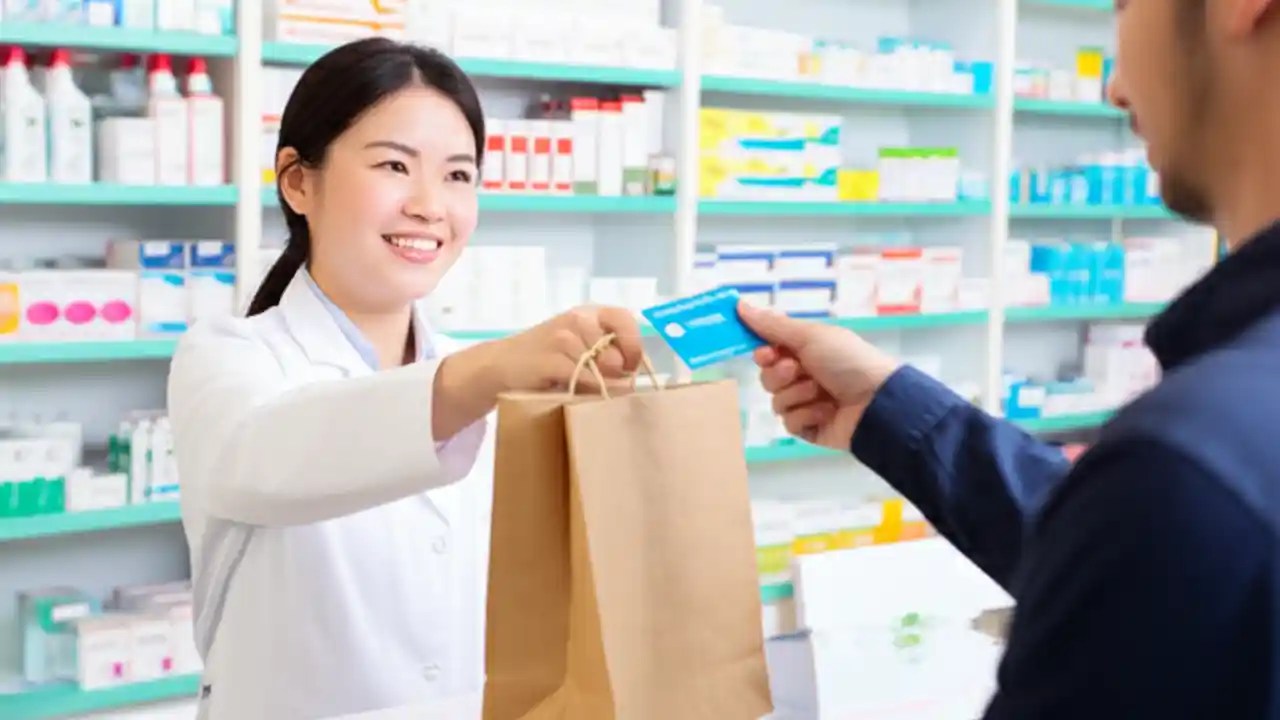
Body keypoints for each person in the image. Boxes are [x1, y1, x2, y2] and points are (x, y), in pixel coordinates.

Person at [739, 1, 1280, 717]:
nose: (1115, 88)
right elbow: (1142, 576)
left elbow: (1163, 539)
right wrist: (893, 413)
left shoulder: (1188, 466)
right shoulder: (1201, 471)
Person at [166, 38, 644, 720]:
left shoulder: (479, 375)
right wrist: (482, 377)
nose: (430, 206)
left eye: (458, 176)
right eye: (395, 165)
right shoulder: (228, 357)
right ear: (299, 181)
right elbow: (264, 457)